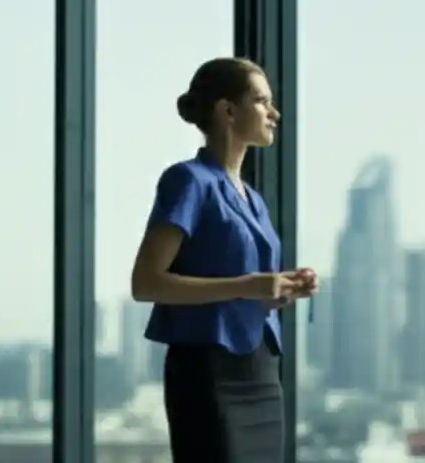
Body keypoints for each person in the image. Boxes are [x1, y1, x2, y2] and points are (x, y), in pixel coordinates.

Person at [130, 57, 319, 462]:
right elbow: (146, 283)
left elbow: (246, 294)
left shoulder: (253, 198)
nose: (275, 112)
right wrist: (248, 285)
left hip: (262, 373)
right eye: (262, 101)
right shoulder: (187, 181)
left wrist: (281, 289)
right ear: (228, 110)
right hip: (209, 374)